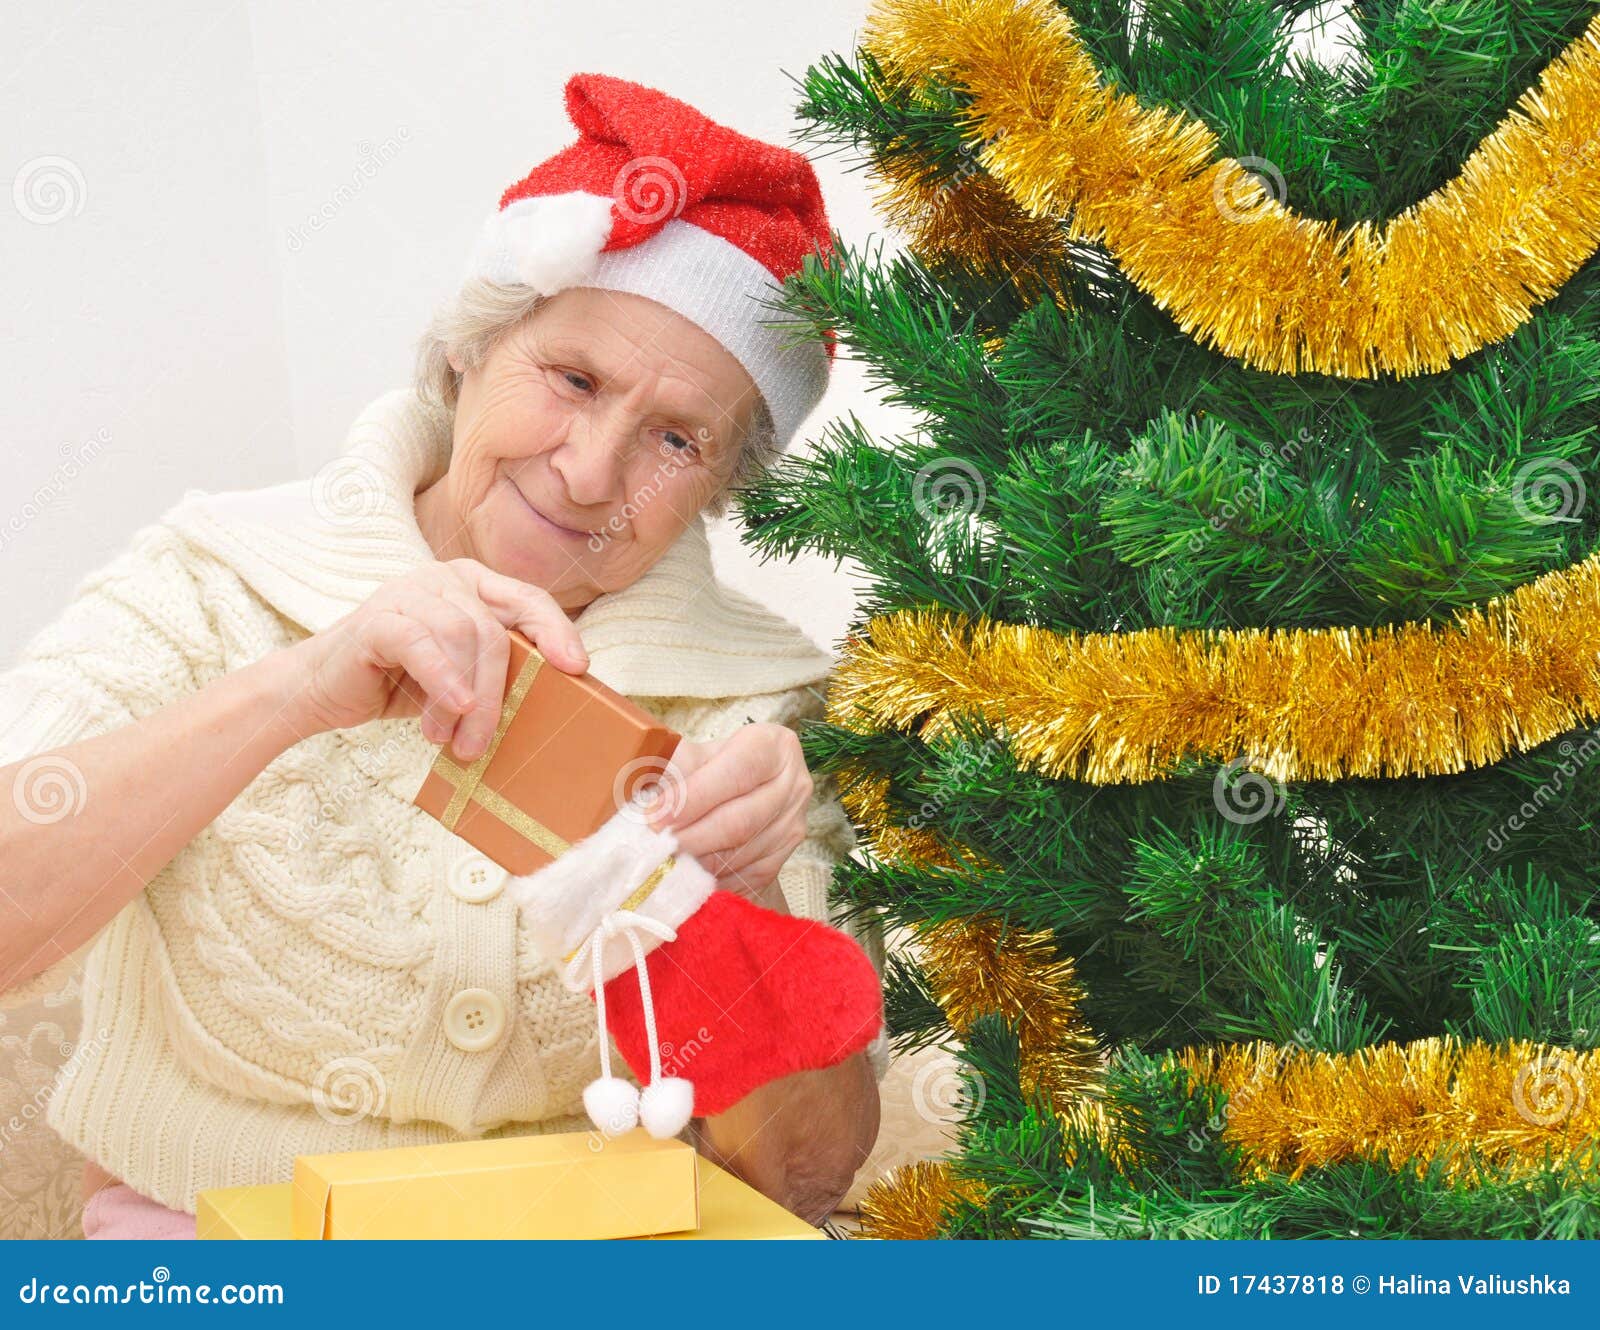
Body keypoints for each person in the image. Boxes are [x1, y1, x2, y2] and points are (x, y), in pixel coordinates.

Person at [0, 73, 886, 1239]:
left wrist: (738, 901)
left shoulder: (762, 707)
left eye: (676, 438)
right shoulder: (212, 580)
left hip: (605, 1264)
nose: (588, 472)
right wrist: (295, 690)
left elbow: (805, 1178)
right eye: (572, 380)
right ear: (470, 349)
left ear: (724, 484)